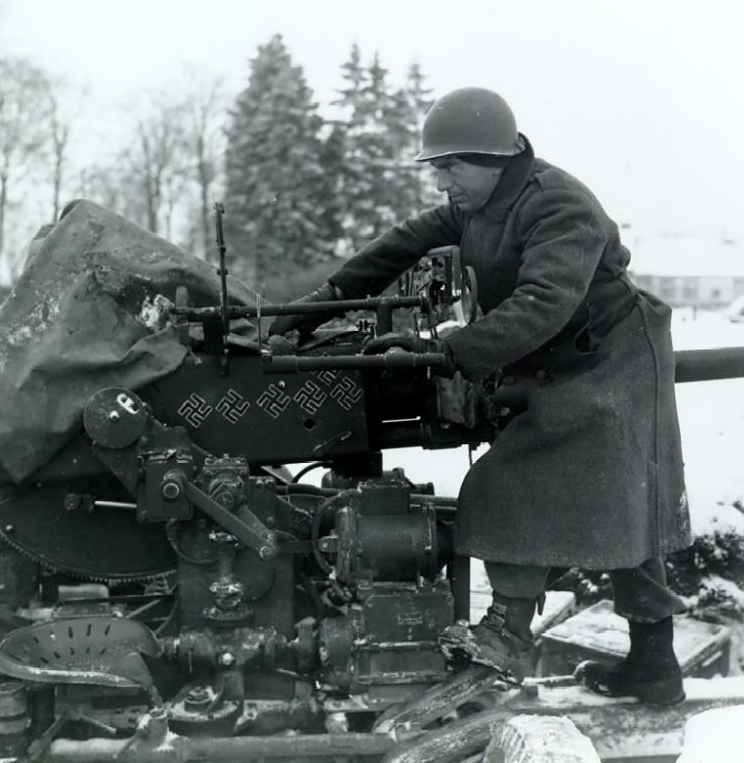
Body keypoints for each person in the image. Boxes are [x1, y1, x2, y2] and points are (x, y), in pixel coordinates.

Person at [270, 87, 692, 705]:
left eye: (450, 166)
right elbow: (399, 245)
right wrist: (316, 306)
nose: (441, 182)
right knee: (620, 506)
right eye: (435, 167)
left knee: (520, 478)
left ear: (495, 158)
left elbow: (544, 303)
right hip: (561, 356)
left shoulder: (559, 206)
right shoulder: (478, 203)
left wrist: (453, 352)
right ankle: (655, 667)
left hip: (612, 359)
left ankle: (508, 637)